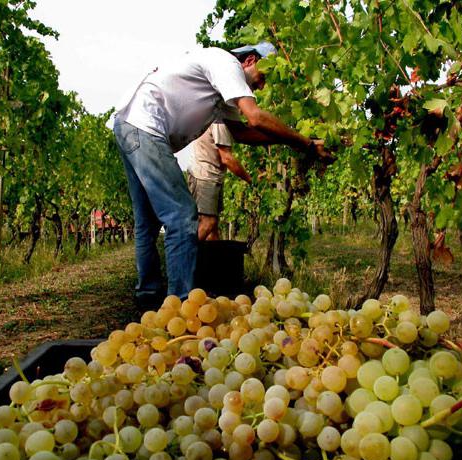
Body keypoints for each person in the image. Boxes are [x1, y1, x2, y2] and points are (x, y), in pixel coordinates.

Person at [113, 41, 330, 304]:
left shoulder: (219, 90)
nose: (262, 86)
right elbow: (256, 118)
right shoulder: (227, 64)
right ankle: (182, 303)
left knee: (148, 221)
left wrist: (285, 140)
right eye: (264, 77)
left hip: (131, 124)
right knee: (182, 216)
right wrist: (304, 144)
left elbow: (241, 132)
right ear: (250, 60)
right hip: (145, 126)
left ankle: (148, 295)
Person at [188, 122, 251, 241]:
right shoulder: (218, 120)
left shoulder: (214, 114)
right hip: (205, 176)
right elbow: (227, 158)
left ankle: (214, 259)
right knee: (208, 223)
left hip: (211, 176)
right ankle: (183, 258)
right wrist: (250, 179)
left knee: (213, 229)